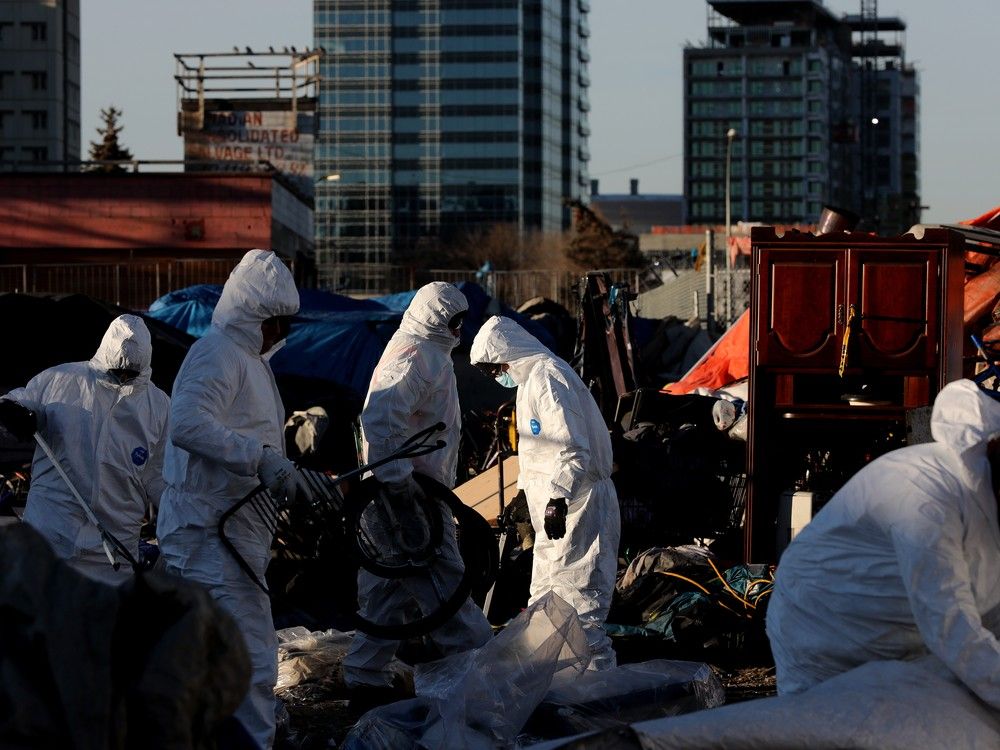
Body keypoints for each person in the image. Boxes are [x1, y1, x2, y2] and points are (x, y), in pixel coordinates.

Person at [156, 249, 311, 749]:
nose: (280, 333)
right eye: (275, 322)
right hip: (209, 536)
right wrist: (260, 460)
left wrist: (276, 471)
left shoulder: (249, 362)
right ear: (254, 315)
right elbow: (186, 424)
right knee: (249, 660)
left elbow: (249, 432)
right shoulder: (218, 353)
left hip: (229, 532)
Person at [766, 378, 1000, 706]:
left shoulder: (980, 492)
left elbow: (989, 603)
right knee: (826, 730)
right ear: (990, 444)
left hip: (897, 641)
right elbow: (948, 621)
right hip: (824, 636)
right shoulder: (924, 493)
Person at [343, 281, 493, 701]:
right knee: (445, 584)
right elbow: (380, 419)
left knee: (388, 589)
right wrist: (400, 486)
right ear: (435, 317)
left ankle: (363, 674)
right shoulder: (413, 355)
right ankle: (481, 671)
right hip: (407, 498)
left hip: (409, 491)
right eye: (454, 320)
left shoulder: (430, 351)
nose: (460, 328)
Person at [470, 315, 621, 671]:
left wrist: (557, 497)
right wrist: (526, 495)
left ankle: (597, 691)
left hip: (580, 505)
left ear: (511, 354)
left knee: (581, 604)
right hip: (556, 510)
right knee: (546, 600)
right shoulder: (528, 385)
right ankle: (557, 683)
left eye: (497, 368)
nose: (498, 377)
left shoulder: (549, 377)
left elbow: (572, 448)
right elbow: (537, 452)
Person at [0, 314, 169, 585]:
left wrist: (179, 526)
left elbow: (161, 478)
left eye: (131, 374)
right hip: (51, 536)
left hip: (113, 552)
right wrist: (12, 413)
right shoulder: (60, 381)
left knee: (99, 624)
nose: (123, 378)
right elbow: (18, 402)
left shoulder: (158, 408)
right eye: (117, 372)